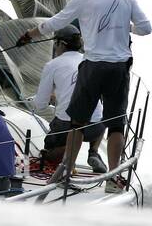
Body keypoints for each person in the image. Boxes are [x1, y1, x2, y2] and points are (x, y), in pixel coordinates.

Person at [18, 0, 149, 188]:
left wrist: (30, 34)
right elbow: (146, 29)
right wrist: (126, 27)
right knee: (117, 123)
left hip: (93, 66)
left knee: (77, 122)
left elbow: (55, 23)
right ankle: (113, 178)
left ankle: (66, 172)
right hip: (119, 68)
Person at [31, 25, 106, 174]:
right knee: (98, 112)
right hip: (96, 127)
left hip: (68, 126)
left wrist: (45, 99)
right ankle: (93, 151)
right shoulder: (91, 60)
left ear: (61, 44)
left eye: (55, 43)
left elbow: (40, 105)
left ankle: (66, 151)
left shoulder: (52, 65)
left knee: (49, 147)